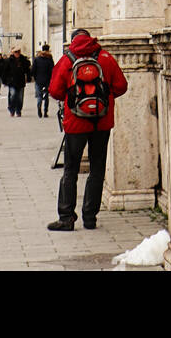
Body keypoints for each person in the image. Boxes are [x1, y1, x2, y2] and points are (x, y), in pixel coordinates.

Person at [47, 28, 127, 232]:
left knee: (70, 169)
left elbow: (55, 91)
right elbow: (121, 86)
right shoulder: (105, 57)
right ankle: (90, 217)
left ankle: (66, 218)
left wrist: (74, 99)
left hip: (75, 124)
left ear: (73, 41)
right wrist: (103, 99)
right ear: (90, 39)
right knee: (97, 168)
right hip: (102, 123)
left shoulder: (67, 60)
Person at [2, 46, 31, 117]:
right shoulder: (9, 61)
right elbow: (4, 71)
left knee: (20, 97)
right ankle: (11, 109)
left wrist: (29, 77)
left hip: (21, 81)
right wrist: (4, 81)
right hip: (11, 81)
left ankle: (18, 110)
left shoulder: (23, 60)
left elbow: (27, 70)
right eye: (15, 52)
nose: (17, 53)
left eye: (18, 51)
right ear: (13, 53)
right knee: (13, 95)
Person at [31, 43, 54, 118]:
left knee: (39, 96)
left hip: (38, 80)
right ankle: (45, 111)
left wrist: (35, 77)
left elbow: (33, 70)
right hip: (47, 81)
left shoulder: (37, 59)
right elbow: (52, 70)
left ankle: (39, 108)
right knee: (46, 96)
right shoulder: (49, 59)